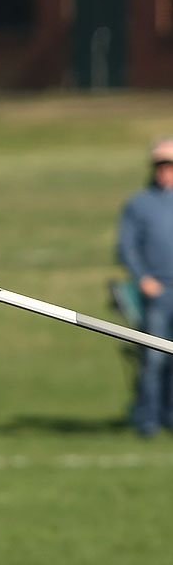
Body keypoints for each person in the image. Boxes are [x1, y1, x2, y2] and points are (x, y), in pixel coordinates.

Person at [116, 137, 173, 437]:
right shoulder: (140, 203)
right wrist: (143, 278)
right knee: (153, 357)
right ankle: (148, 421)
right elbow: (126, 247)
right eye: (160, 165)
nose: (165, 171)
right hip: (158, 291)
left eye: (170, 164)